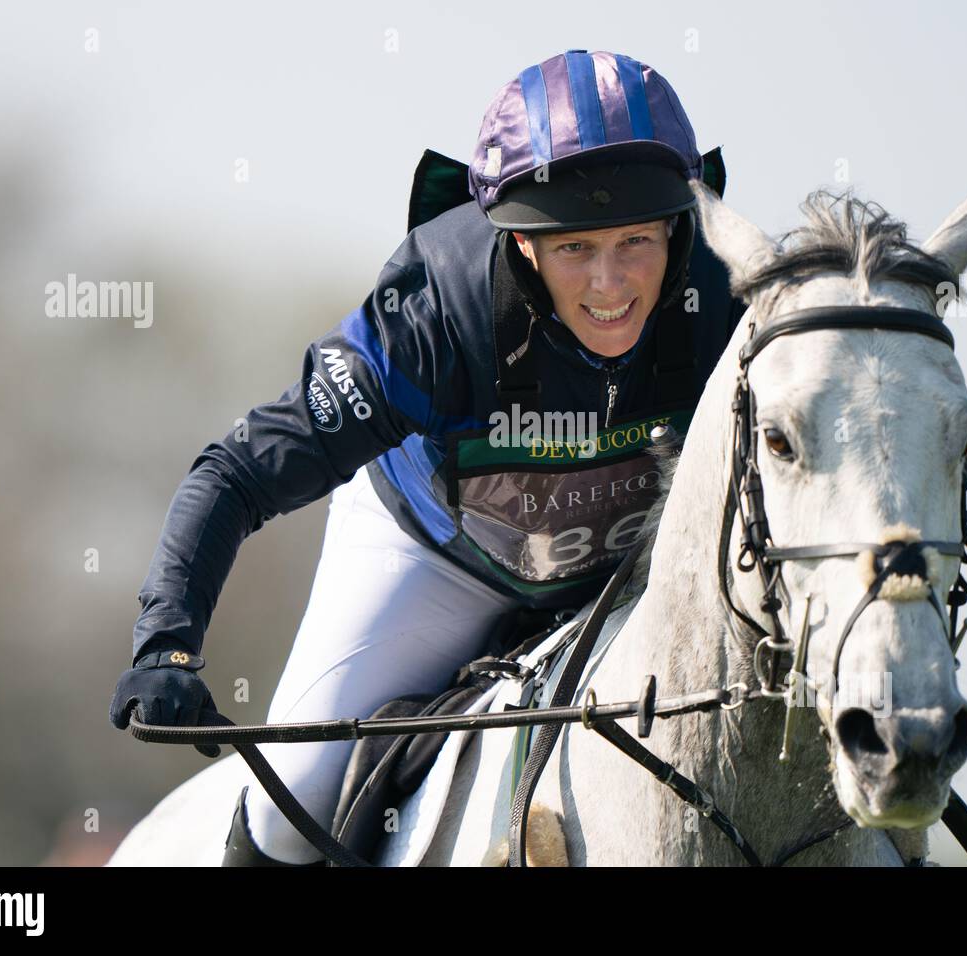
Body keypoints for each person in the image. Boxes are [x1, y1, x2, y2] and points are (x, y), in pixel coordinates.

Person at [109, 49, 747, 865]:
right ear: (520, 244)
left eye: (635, 241)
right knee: (289, 803)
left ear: (677, 227)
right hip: (437, 558)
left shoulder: (728, 297)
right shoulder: (435, 311)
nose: (612, 283)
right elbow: (237, 472)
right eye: (575, 248)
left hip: (625, 577)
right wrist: (166, 641)